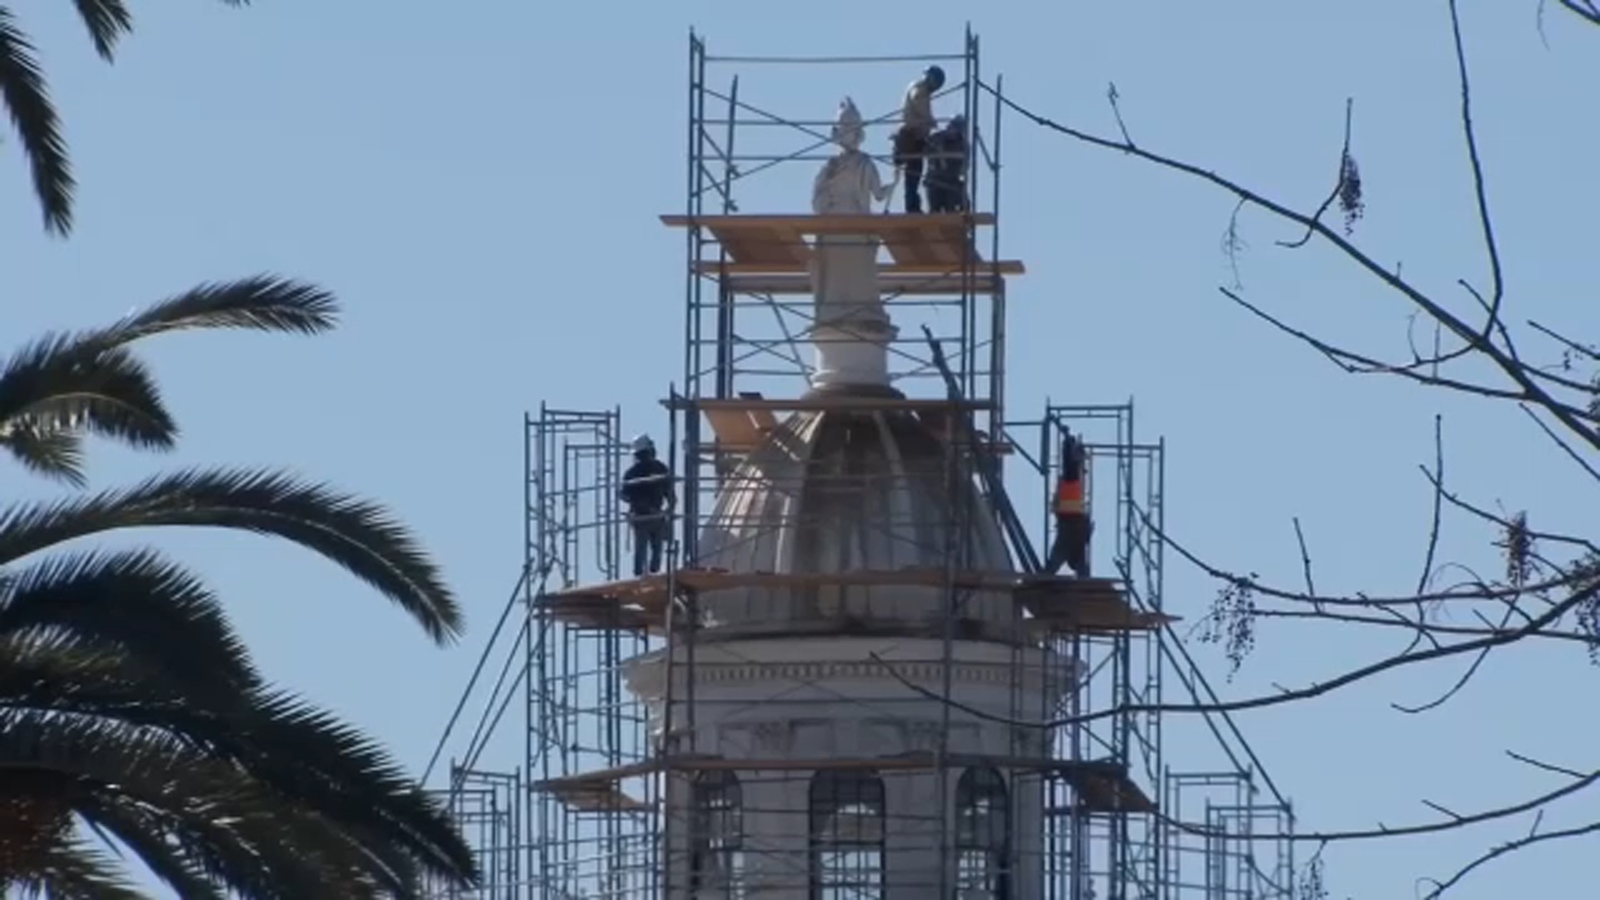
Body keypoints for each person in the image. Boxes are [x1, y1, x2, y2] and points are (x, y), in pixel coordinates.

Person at [891, 65, 945, 214]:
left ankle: (912, 204)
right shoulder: (920, 89)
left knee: (913, 174)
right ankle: (912, 206)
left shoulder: (921, 90)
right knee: (913, 173)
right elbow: (918, 103)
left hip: (913, 136)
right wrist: (930, 121)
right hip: (910, 137)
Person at [620, 434, 675, 577]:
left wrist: (636, 503)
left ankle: (640, 574)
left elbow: (623, 494)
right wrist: (668, 510)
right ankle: (652, 572)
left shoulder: (632, 473)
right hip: (654, 514)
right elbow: (670, 494)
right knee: (655, 547)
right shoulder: (660, 468)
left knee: (641, 547)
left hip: (641, 516)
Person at [1044, 432, 1093, 578]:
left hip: (1071, 521)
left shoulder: (1071, 483)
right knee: (1059, 562)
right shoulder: (1077, 551)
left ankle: (1047, 575)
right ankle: (1083, 582)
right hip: (1072, 520)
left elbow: (1069, 465)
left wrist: (1067, 443)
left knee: (1055, 561)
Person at [924, 114, 968, 214]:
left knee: (951, 210)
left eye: (957, 130)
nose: (954, 132)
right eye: (953, 127)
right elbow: (925, 150)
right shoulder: (937, 138)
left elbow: (964, 167)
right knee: (935, 211)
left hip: (951, 180)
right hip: (935, 179)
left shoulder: (962, 144)